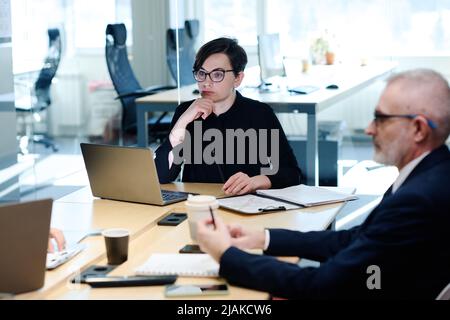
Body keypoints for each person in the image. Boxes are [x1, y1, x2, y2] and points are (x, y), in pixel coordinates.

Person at [196, 69, 450, 299]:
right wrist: (264, 237)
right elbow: (358, 239)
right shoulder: (432, 174)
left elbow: (321, 286)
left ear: (418, 129)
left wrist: (226, 255)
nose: (369, 129)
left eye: (381, 119)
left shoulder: (417, 200)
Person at [155, 38, 302, 195]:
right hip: (200, 206)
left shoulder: (259, 113)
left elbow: (292, 174)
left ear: (237, 78)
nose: (206, 83)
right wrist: (182, 123)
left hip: (246, 206)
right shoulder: (186, 112)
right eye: (201, 74)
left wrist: (255, 181)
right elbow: (161, 176)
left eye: (217, 75)